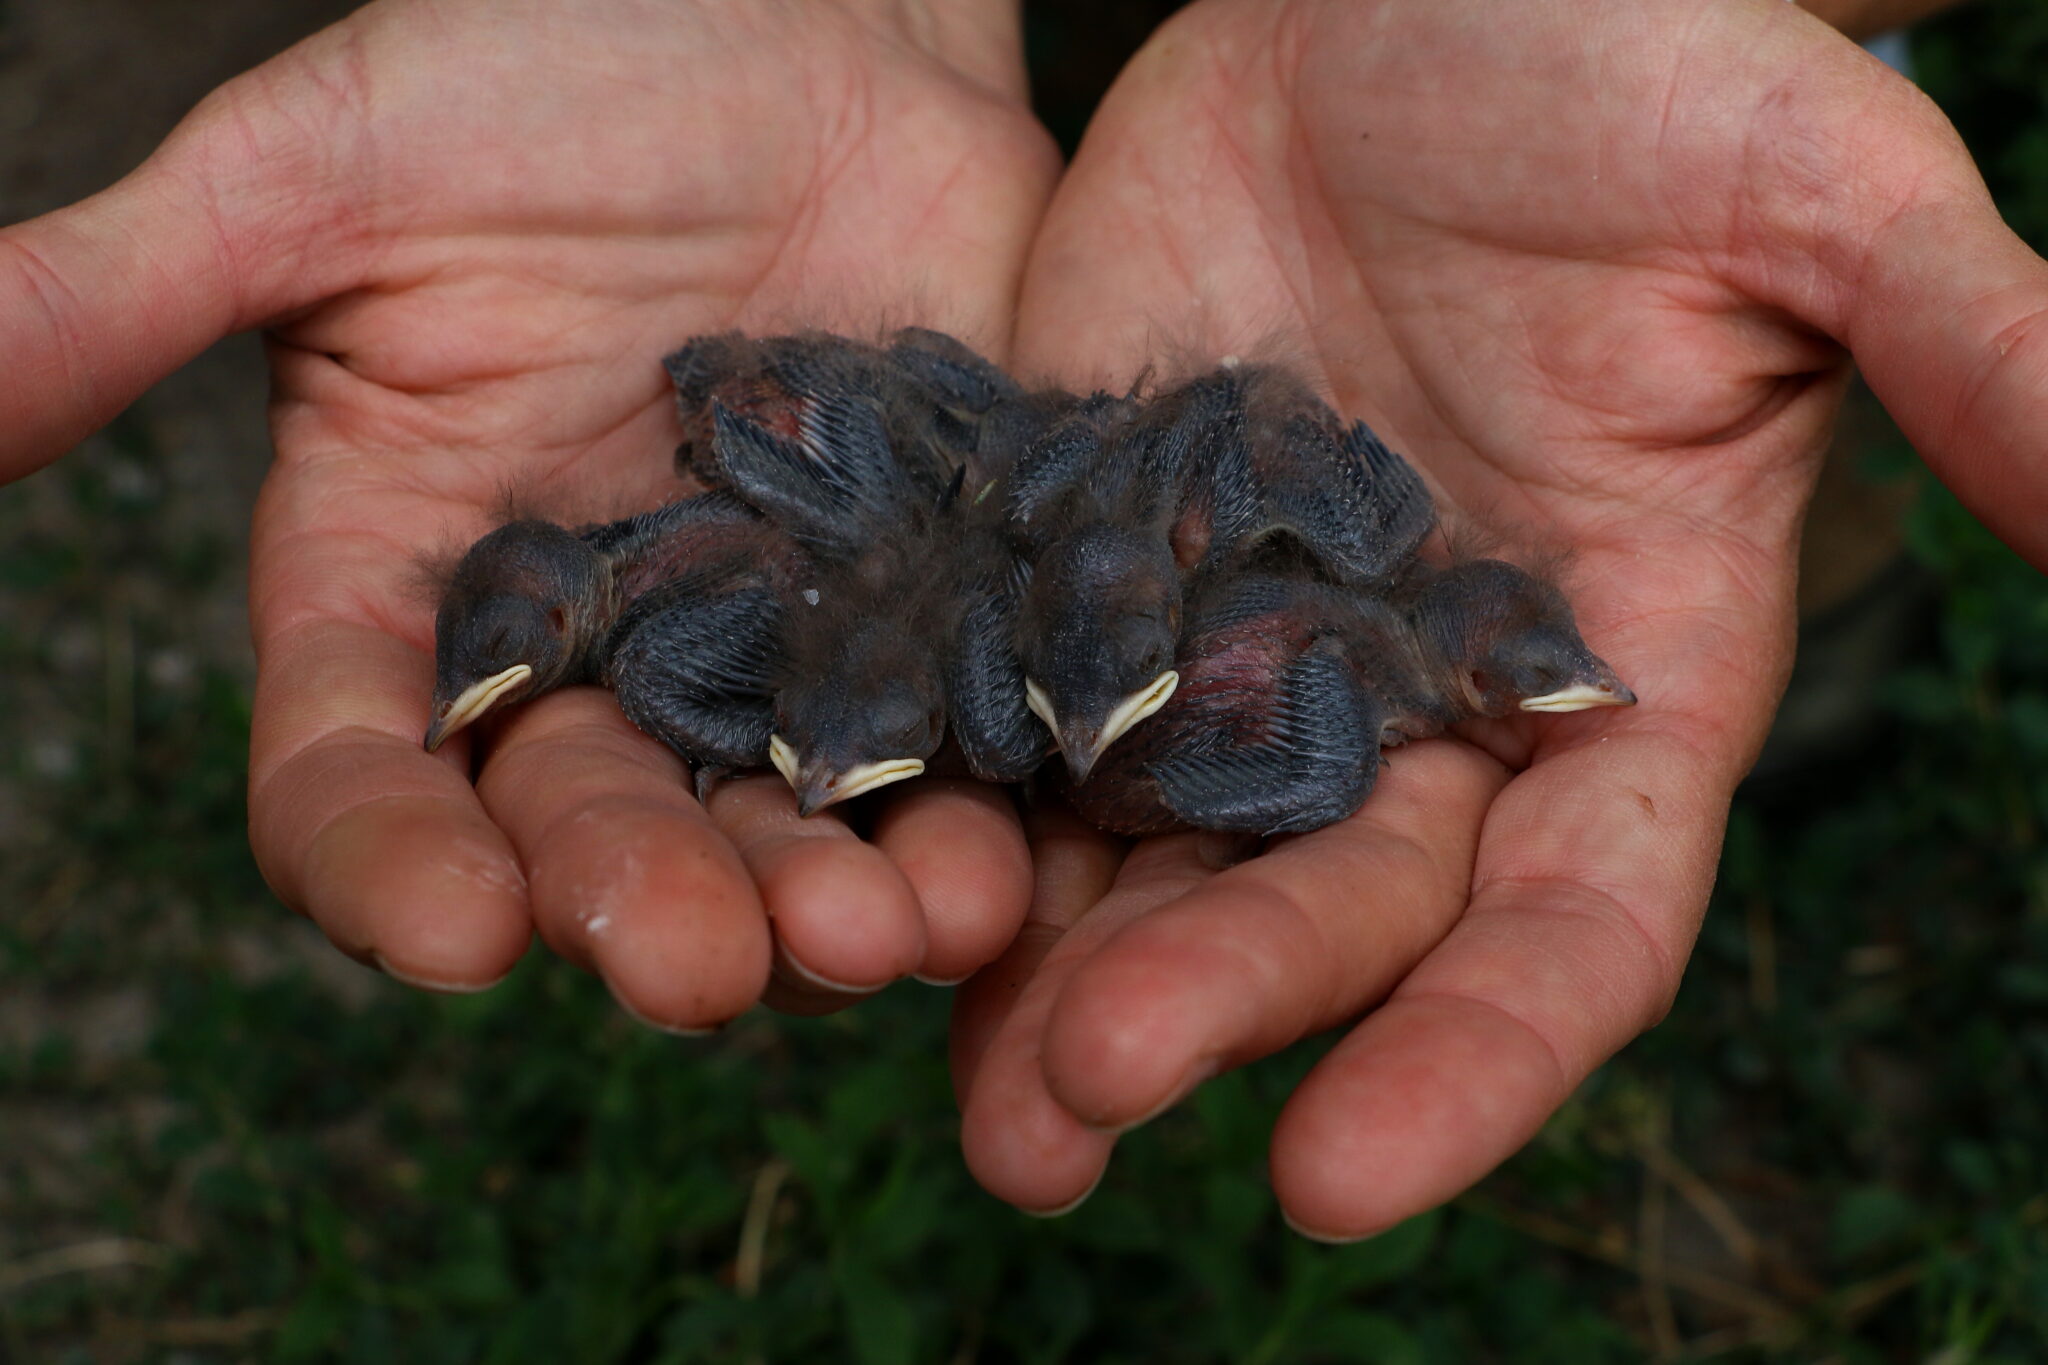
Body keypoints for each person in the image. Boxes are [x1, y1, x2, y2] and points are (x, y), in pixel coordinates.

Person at [0, 0, 2033, 1241]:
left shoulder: (1317, 564)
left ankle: (1814, 626)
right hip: (981, 515)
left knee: (1624, 501)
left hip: (1401, 328)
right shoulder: (863, 534)